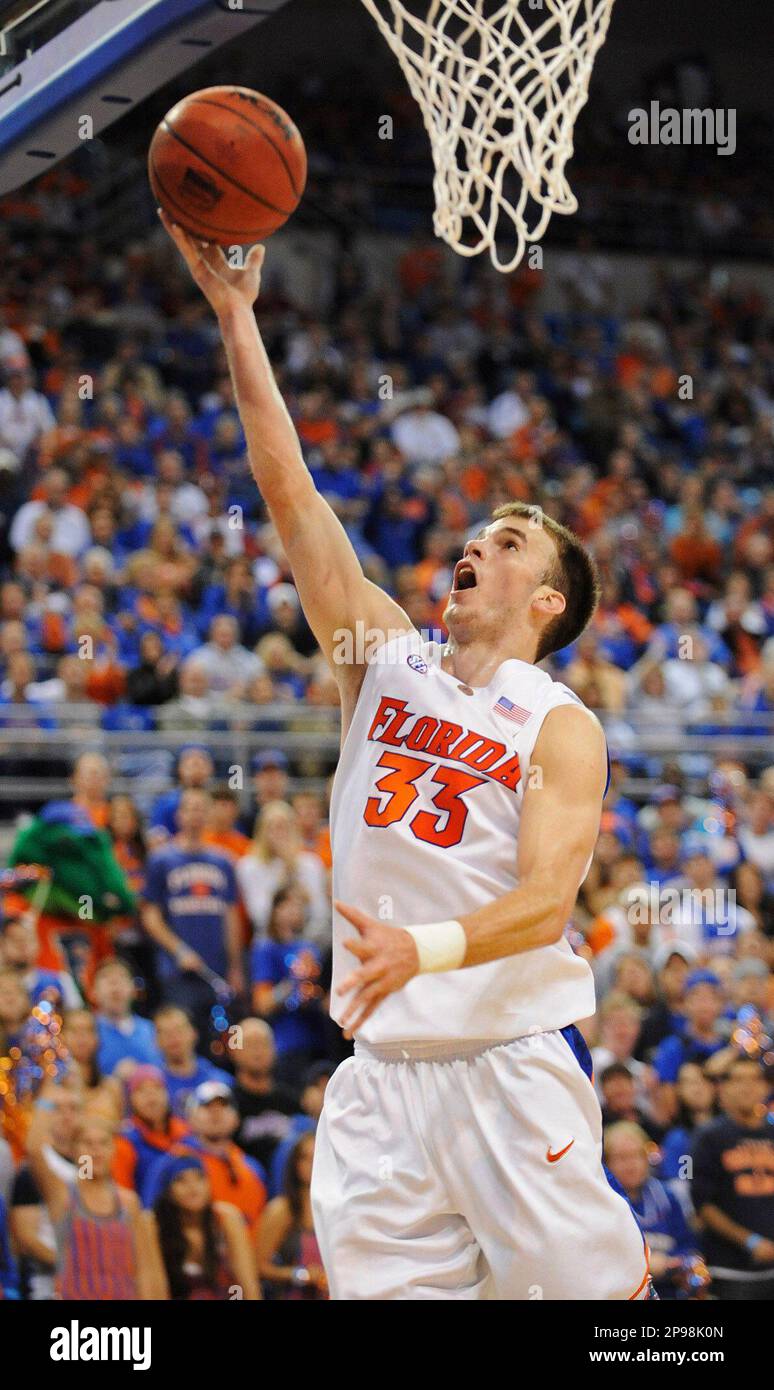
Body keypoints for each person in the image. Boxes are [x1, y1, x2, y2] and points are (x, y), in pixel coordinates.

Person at [162, 214, 652, 1300]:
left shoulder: (558, 722)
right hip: (380, 1081)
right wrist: (238, 315)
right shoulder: (383, 657)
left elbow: (543, 904)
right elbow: (289, 492)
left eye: (509, 541)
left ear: (548, 599)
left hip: (509, 1065)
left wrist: (419, 950)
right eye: (476, 533)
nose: (477, 543)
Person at [24, 1087, 163, 1299]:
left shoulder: (128, 1202)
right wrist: (48, 1093)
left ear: (114, 1150)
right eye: (87, 1144)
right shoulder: (63, 1196)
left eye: (104, 1143)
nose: (96, 1151)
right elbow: (34, 1149)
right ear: (74, 1150)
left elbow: (145, 1269)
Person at [141, 786, 244, 1037]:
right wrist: (178, 950)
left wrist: (235, 965)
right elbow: (150, 916)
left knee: (221, 1040)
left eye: (202, 808)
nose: (196, 814)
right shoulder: (161, 860)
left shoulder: (223, 861)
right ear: (179, 815)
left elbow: (231, 915)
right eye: (190, 808)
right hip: (178, 971)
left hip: (216, 969)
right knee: (183, 1036)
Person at [691, 1055, 774, 1299]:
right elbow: (701, 1204)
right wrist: (749, 1241)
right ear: (723, 1088)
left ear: (765, 1087)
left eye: (754, 1079)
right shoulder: (708, 1137)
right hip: (729, 1270)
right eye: (738, 1079)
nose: (747, 1086)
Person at [604, 1122, 704, 1300]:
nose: (631, 1164)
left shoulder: (666, 1196)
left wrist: (675, 1264)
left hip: (668, 1291)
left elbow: (689, 1248)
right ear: (607, 1163)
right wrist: (645, 1265)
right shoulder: (603, 1204)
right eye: (622, 1157)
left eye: (637, 1155)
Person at [147, 1153, 260, 1300]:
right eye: (181, 1181)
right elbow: (155, 1286)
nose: (193, 1188)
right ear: (167, 1191)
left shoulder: (226, 1218)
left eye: (200, 1178)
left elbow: (248, 1283)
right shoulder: (153, 1225)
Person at [250, 887, 326, 1085]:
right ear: (275, 910)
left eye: (300, 905)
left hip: (318, 1039)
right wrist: (294, 980)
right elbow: (262, 1003)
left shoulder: (310, 948)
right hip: (286, 1043)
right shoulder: (266, 949)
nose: (295, 910)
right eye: (288, 904)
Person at [176, 1080, 267, 1236]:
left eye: (224, 1106)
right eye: (206, 1107)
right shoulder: (176, 1163)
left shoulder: (252, 1167)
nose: (216, 1113)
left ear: (236, 1118)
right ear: (190, 1118)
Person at [237, 801, 329, 944]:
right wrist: (286, 874)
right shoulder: (249, 866)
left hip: (308, 943)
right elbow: (259, 915)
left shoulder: (311, 864)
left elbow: (320, 913)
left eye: (284, 827)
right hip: (268, 945)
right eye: (272, 828)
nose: (279, 834)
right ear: (261, 831)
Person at [256, 1132, 328, 1299]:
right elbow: (258, 1266)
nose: (312, 1164)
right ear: (295, 1164)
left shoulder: (338, 1208)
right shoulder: (281, 1209)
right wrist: (300, 1274)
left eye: (317, 1156)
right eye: (305, 1157)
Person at [112, 1065, 191, 1206]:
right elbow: (124, 1200)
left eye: (157, 1088)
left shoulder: (186, 1133)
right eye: (141, 1090)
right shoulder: (125, 1142)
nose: (151, 1096)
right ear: (130, 1099)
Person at [229, 1017, 299, 1173]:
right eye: (251, 1044)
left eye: (264, 1043)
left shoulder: (291, 1100)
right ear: (234, 1051)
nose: (258, 1051)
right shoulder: (226, 1103)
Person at [154, 1003, 233, 1118]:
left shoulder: (220, 1080)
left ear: (194, 1033)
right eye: (166, 1033)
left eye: (179, 1030)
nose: (173, 1037)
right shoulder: (153, 1085)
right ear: (156, 1041)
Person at [92, 957, 162, 1076]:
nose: (115, 985)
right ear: (94, 992)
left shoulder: (153, 1030)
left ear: (134, 990)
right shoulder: (89, 1031)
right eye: (106, 978)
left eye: (121, 977)